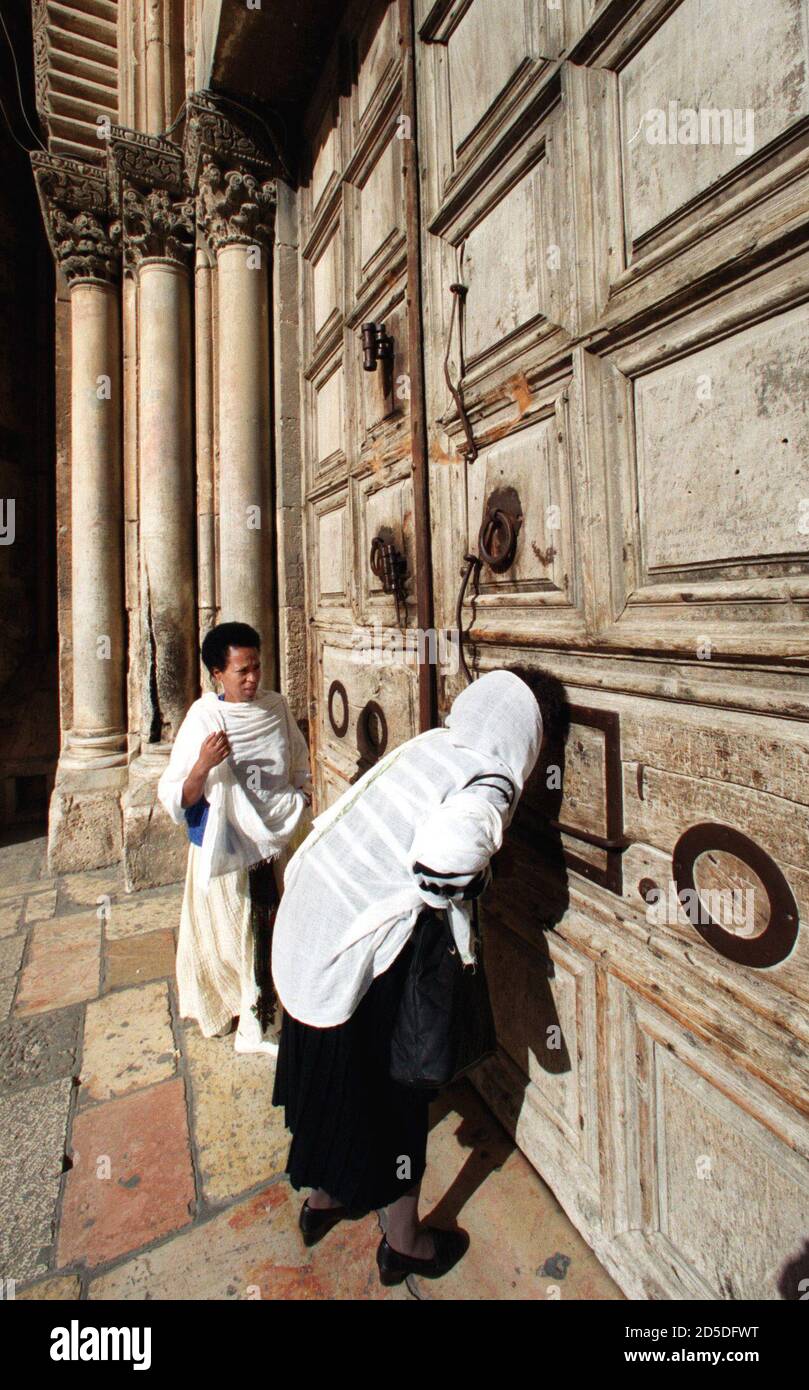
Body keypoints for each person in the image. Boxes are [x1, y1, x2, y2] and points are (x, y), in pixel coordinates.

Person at [271, 667, 543, 1284]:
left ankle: (325, 1200)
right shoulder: (491, 779)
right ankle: (402, 1243)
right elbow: (443, 866)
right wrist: (472, 883)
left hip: (308, 925)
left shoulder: (433, 743)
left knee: (327, 1079)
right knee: (391, 1096)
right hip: (354, 948)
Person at [157, 622, 313, 1056]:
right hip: (229, 848)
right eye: (242, 670)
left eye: (257, 668)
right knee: (241, 937)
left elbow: (297, 761)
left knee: (278, 929)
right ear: (216, 674)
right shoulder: (204, 719)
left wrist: (299, 797)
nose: (252, 679)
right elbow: (178, 797)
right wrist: (203, 764)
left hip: (277, 839)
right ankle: (253, 1025)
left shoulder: (275, 706)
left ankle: (273, 1013)